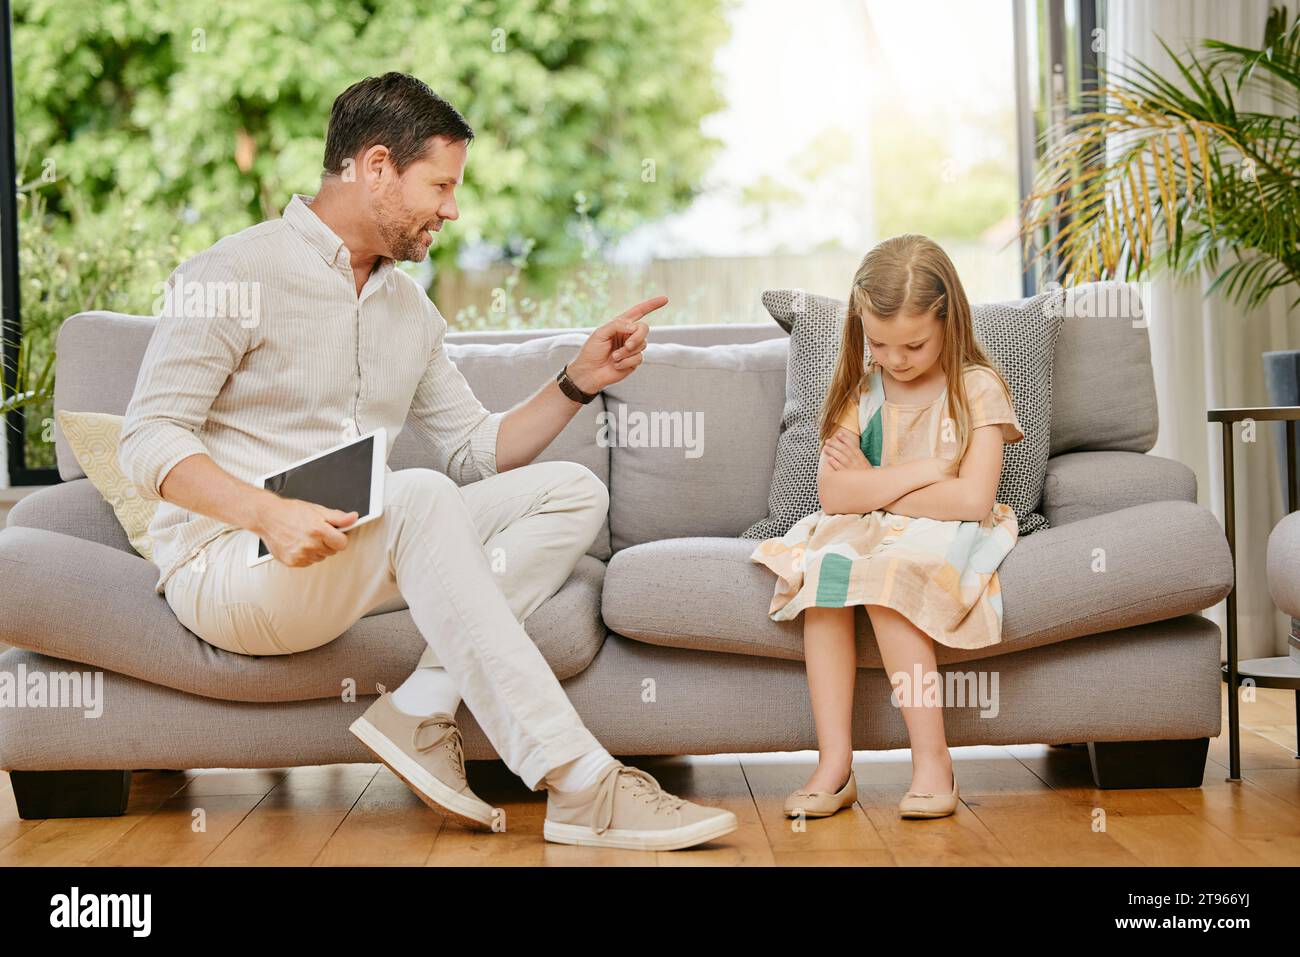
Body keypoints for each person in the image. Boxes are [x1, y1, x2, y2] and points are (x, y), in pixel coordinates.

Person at [118, 72, 737, 852]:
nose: (453, 208)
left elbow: (478, 451)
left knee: (569, 490)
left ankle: (422, 707)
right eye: (440, 184)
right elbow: (148, 437)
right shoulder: (230, 275)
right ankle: (583, 783)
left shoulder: (409, 309)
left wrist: (580, 379)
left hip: (347, 554)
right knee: (413, 494)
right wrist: (268, 512)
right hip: (233, 565)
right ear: (375, 167)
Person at [749, 234, 1025, 821]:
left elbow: (973, 499)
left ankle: (932, 762)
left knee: (888, 581)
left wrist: (878, 481)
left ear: (949, 322)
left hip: (939, 534)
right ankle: (835, 764)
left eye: (913, 345)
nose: (895, 359)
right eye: (878, 343)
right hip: (868, 526)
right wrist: (928, 469)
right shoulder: (860, 388)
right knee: (826, 575)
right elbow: (835, 495)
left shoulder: (976, 389)